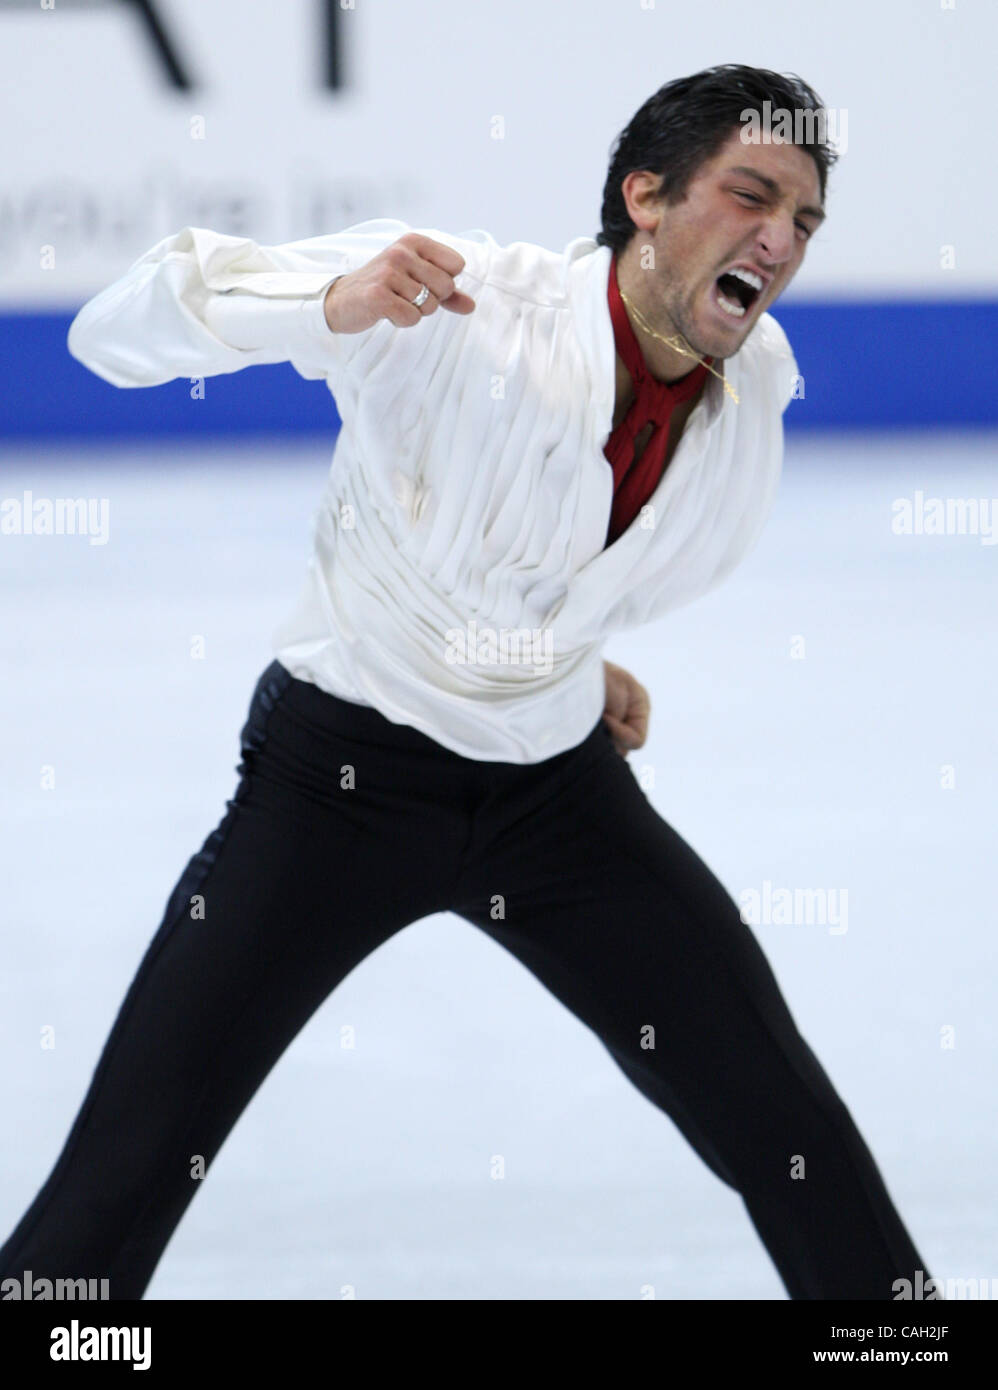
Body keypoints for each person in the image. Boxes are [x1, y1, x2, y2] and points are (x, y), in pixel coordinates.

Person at [0, 63, 934, 1301]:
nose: (778, 238)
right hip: (336, 787)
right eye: (750, 194)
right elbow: (109, 332)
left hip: (555, 797)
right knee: (114, 1193)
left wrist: (561, 647)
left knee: (787, 1132)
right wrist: (320, 306)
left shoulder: (748, 394)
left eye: (805, 222)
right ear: (642, 196)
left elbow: (560, 542)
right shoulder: (454, 305)